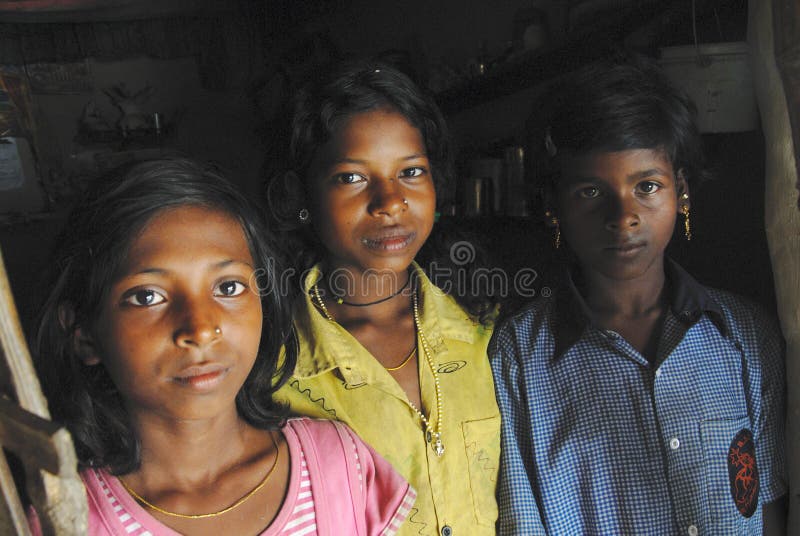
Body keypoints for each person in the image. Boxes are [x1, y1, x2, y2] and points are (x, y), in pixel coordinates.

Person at [30, 157, 415, 535]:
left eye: (228, 287)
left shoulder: (339, 465)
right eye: (147, 297)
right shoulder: (64, 520)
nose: (199, 329)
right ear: (84, 334)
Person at [491, 55, 787, 535]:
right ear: (554, 208)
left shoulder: (745, 336)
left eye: (647, 186)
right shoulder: (519, 360)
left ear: (682, 192)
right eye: (590, 192)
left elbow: (769, 508)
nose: (622, 216)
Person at [266, 60, 500, 535]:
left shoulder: (486, 331)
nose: (390, 201)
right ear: (300, 195)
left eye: (411, 171)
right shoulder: (273, 365)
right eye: (352, 177)